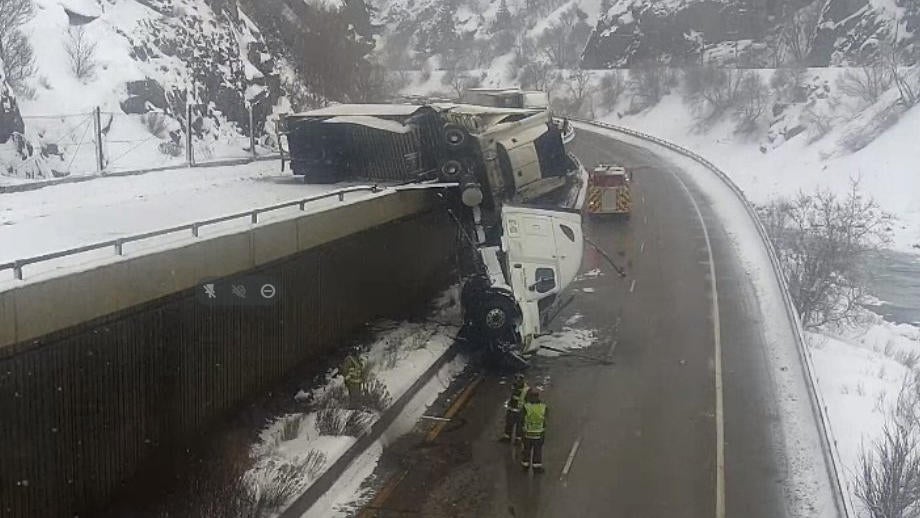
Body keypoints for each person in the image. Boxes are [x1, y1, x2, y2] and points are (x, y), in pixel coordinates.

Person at [521, 387, 547, 472]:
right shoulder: (543, 407)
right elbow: (545, 421)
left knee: (526, 451)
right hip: (538, 435)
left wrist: (522, 432)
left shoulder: (526, 407)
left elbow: (521, 420)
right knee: (537, 451)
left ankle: (525, 466)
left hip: (527, 434)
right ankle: (536, 467)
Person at [501, 373, 529, 442]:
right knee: (509, 423)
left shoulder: (526, 389)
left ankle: (518, 439)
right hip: (511, 409)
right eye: (516, 379)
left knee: (519, 425)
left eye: (519, 380)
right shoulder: (514, 386)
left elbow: (528, 401)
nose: (517, 381)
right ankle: (507, 437)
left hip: (520, 410)